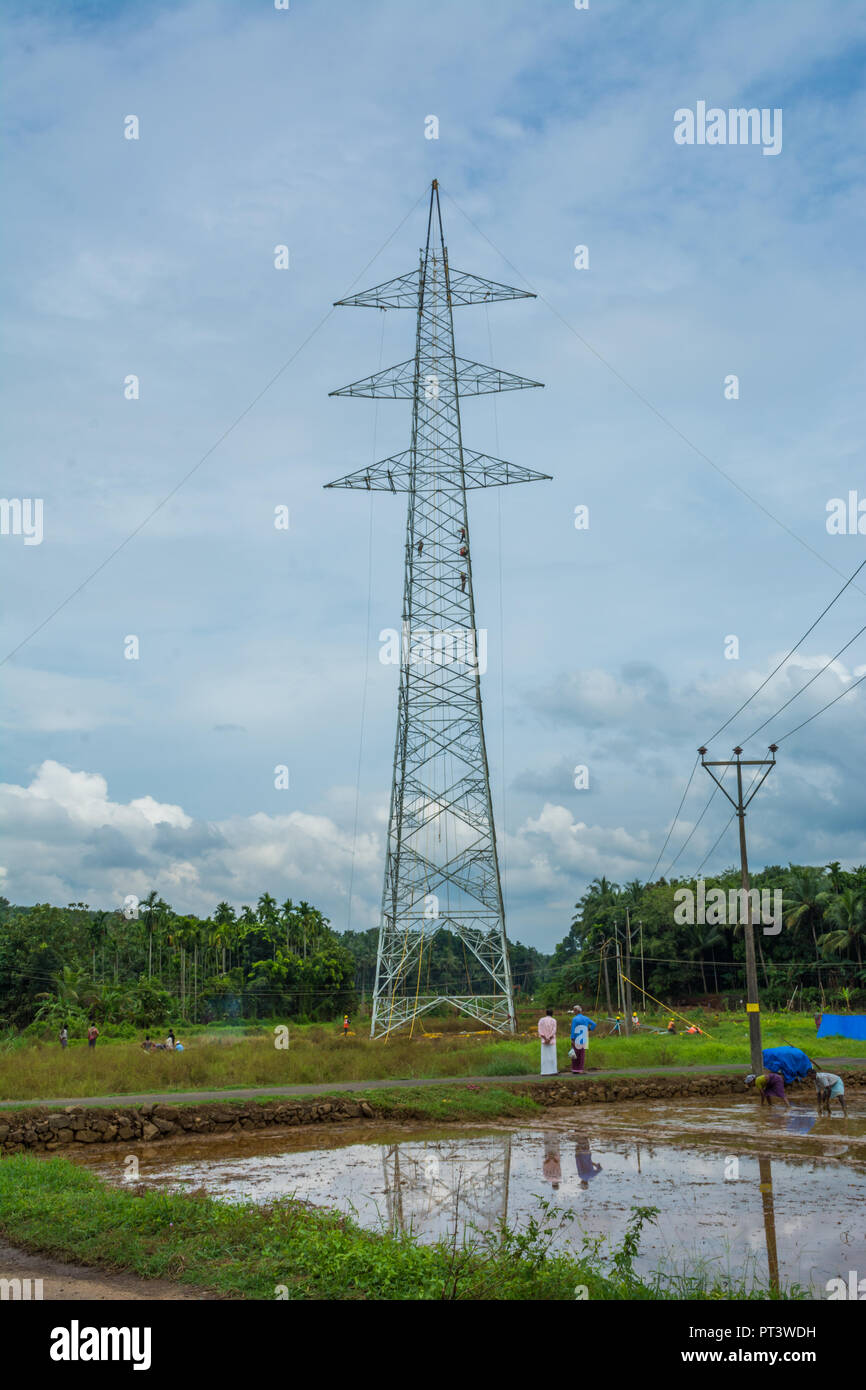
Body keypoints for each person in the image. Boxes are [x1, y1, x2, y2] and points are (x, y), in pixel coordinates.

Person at [569, 1005, 596, 1074]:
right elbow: (594, 1024)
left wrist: (572, 1039)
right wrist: (589, 1029)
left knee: (575, 1053)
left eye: (574, 1010)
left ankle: (575, 1069)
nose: (573, 1011)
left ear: (577, 1011)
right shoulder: (586, 1018)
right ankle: (580, 1069)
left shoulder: (575, 1019)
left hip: (577, 1038)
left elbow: (573, 1029)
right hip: (584, 1037)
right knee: (582, 1054)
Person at [537, 1008, 558, 1075]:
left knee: (544, 1057)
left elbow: (540, 1030)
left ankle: (544, 1071)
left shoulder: (541, 1020)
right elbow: (554, 1031)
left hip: (544, 1041)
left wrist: (545, 1038)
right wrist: (549, 1038)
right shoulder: (553, 1020)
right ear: (552, 1014)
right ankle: (553, 1071)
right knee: (552, 1056)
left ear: (546, 1013)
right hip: (551, 1041)